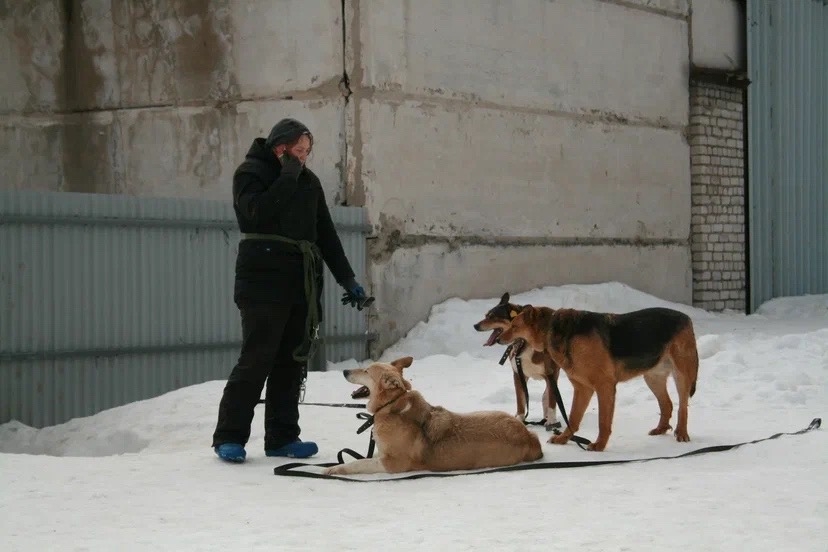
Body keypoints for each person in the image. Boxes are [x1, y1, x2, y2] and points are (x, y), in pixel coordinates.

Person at [212, 118, 373, 463]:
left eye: (307, 152)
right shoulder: (251, 173)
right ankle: (230, 436)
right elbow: (257, 215)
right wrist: (286, 176)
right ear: (279, 146)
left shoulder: (308, 182)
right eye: (298, 151)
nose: (303, 158)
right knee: (257, 357)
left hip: (300, 281)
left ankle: (282, 437)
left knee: (291, 360)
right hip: (261, 279)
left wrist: (348, 280)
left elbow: (325, 235)